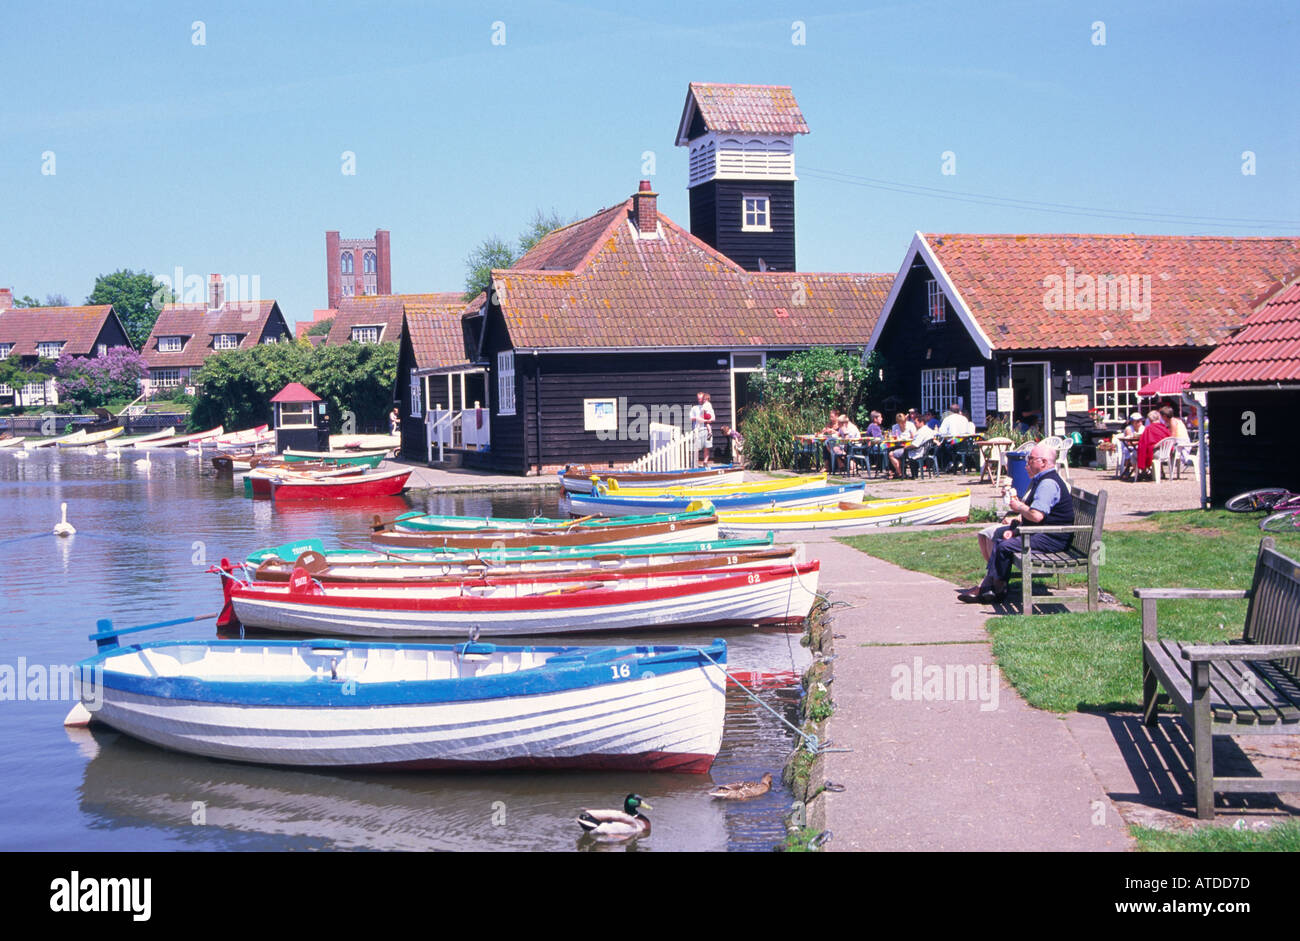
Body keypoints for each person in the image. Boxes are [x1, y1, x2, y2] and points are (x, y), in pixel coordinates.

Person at [960, 444, 1074, 604]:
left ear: (1044, 462)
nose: (1027, 462)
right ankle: (991, 586)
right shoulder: (1041, 480)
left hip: (1053, 537)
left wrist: (1019, 507)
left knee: (1003, 546)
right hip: (1044, 532)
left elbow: (1036, 516)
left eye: (1031, 459)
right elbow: (1034, 514)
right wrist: (1015, 530)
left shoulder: (1048, 484)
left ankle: (996, 588)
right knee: (1001, 538)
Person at [1135, 409, 1170, 478]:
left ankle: (1142, 473)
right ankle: (1159, 472)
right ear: (1159, 418)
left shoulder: (1149, 428)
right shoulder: (1164, 428)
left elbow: (1143, 443)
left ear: (1150, 420)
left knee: (1134, 454)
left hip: (1156, 454)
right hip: (1166, 453)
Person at [690, 392, 716, 466]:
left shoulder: (708, 406)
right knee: (696, 447)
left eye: (701, 398)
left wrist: (707, 420)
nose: (700, 400)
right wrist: (698, 418)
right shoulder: (694, 408)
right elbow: (691, 418)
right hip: (697, 429)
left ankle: (705, 462)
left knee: (707, 447)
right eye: (699, 398)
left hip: (706, 429)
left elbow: (713, 418)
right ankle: (695, 463)